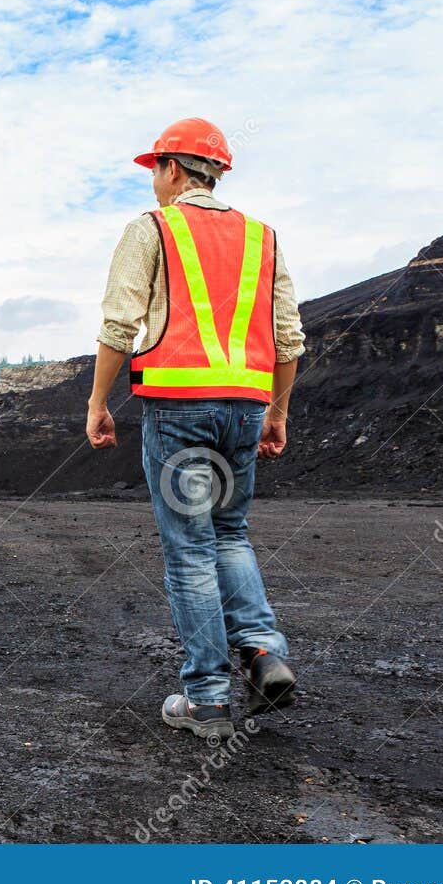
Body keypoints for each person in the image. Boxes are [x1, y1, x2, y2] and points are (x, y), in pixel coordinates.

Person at [86, 117, 304, 740]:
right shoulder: (263, 237)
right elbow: (288, 335)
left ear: (174, 169)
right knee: (230, 535)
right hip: (244, 411)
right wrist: (278, 412)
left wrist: (99, 401)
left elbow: (118, 325)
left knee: (189, 552)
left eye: (154, 168)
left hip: (179, 413)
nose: (153, 180)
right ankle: (263, 653)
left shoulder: (152, 228)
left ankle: (207, 699)